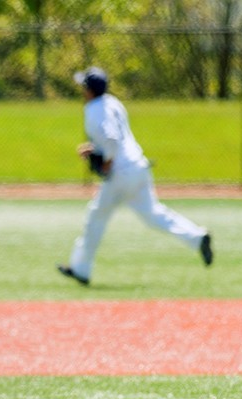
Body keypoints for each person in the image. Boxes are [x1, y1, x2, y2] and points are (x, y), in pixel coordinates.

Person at [58, 66, 213, 286]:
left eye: (84, 86)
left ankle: (81, 268)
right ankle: (197, 238)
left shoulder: (93, 109)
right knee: (153, 214)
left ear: (89, 90)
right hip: (138, 166)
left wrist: (106, 161)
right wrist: (95, 150)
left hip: (120, 174)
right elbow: (113, 137)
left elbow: (111, 139)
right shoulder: (112, 102)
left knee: (96, 217)